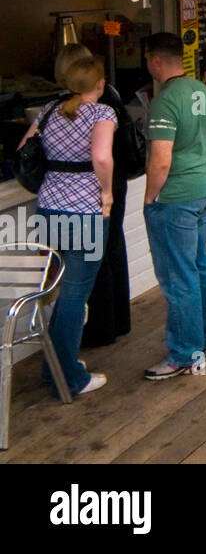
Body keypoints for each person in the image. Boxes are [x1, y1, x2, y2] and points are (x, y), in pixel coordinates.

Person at [17, 56, 115, 397]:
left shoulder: (47, 111)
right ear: (100, 84)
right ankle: (71, 379)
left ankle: (53, 368)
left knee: (59, 292)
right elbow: (102, 158)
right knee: (75, 295)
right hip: (85, 212)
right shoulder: (102, 114)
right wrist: (106, 192)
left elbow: (23, 149)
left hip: (48, 209)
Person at [141, 32, 206, 381]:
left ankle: (184, 354)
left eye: (148, 59)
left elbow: (160, 160)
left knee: (179, 277)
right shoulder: (200, 90)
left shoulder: (164, 101)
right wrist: (201, 165)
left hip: (176, 197)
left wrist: (150, 197)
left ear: (156, 60)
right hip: (204, 188)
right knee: (198, 265)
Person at [55, 44, 135, 347]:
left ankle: (101, 326)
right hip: (115, 180)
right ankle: (118, 320)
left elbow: (100, 154)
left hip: (96, 184)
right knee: (112, 247)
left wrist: (103, 191)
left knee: (95, 257)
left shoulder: (88, 104)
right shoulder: (110, 94)